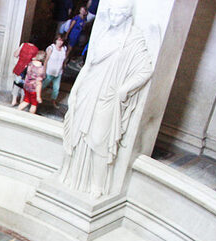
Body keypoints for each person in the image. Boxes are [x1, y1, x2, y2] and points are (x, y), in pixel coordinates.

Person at [59, 0, 153, 198]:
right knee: (77, 134)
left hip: (108, 96)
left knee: (99, 140)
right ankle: (74, 176)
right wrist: (75, 90)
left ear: (127, 15)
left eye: (118, 14)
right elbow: (88, 66)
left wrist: (125, 89)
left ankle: (97, 185)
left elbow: (145, 70)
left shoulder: (133, 39)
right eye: (111, 13)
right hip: (88, 90)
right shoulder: (104, 34)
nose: (113, 17)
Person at [10, 38, 39, 106]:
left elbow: (15, 54)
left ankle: (14, 100)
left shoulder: (23, 45)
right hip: (27, 70)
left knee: (16, 84)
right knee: (25, 86)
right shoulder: (35, 49)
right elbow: (34, 61)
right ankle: (21, 100)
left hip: (19, 67)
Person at [43, 35, 67, 108]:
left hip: (58, 72)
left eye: (61, 40)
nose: (60, 42)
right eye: (59, 40)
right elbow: (46, 60)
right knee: (43, 85)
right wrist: (44, 71)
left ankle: (53, 102)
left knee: (56, 89)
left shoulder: (64, 49)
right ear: (56, 40)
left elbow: (63, 60)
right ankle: (35, 98)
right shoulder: (51, 48)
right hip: (49, 71)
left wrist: (63, 67)